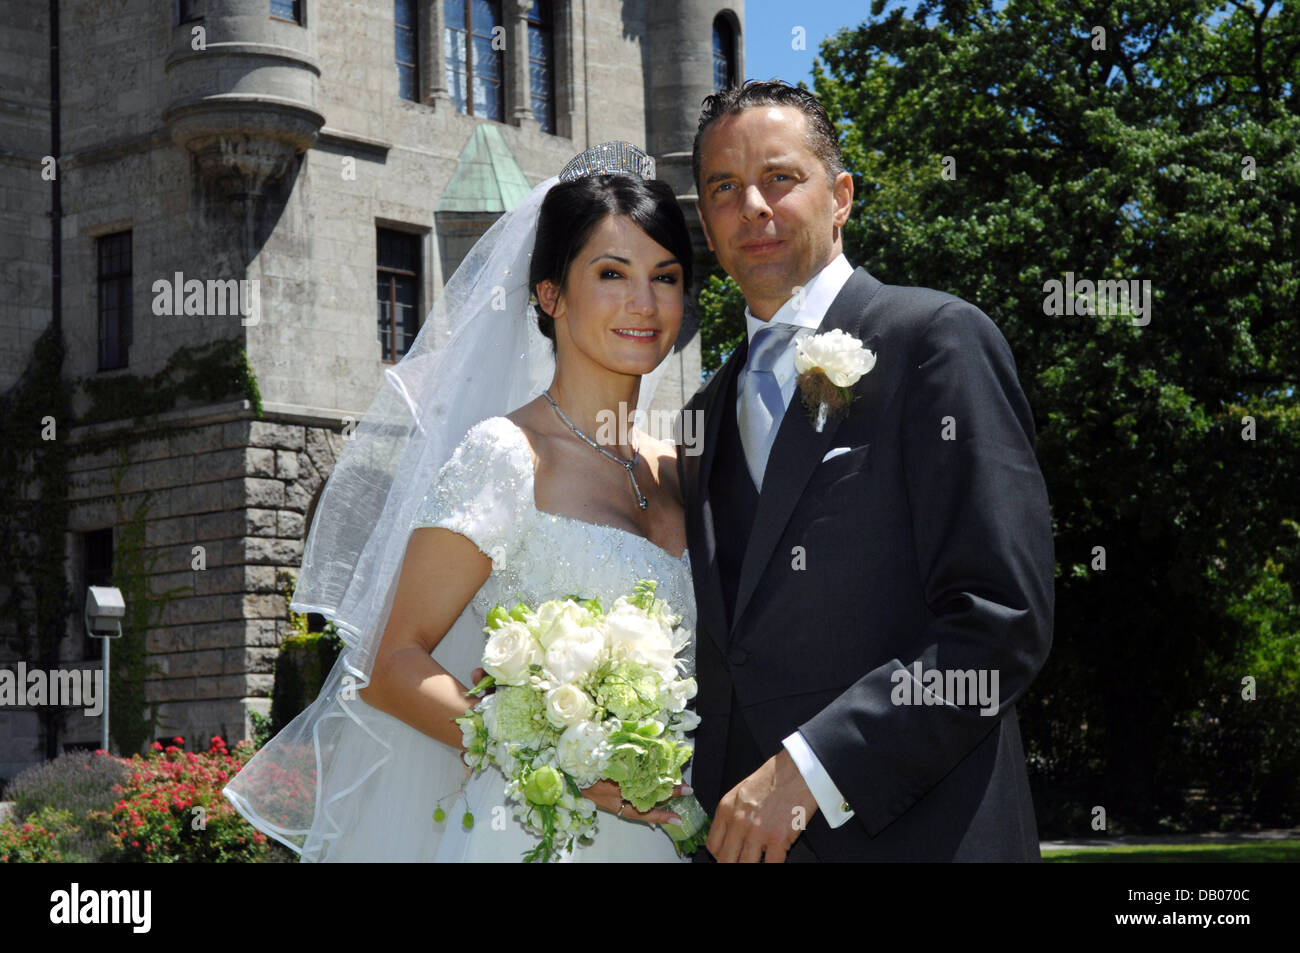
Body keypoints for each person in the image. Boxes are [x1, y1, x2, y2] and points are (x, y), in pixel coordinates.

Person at [224, 142, 698, 862]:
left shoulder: (681, 471)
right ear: (550, 295)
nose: (644, 302)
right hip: (533, 831)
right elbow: (394, 666)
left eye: (665, 277)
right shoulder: (506, 456)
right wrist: (560, 753)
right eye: (612, 273)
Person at [678, 80, 1055, 862]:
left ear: (841, 195)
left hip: (927, 838)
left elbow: (1000, 623)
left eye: (780, 177)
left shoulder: (936, 341)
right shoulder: (704, 410)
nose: (752, 205)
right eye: (723, 187)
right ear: (706, 223)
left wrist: (810, 769)